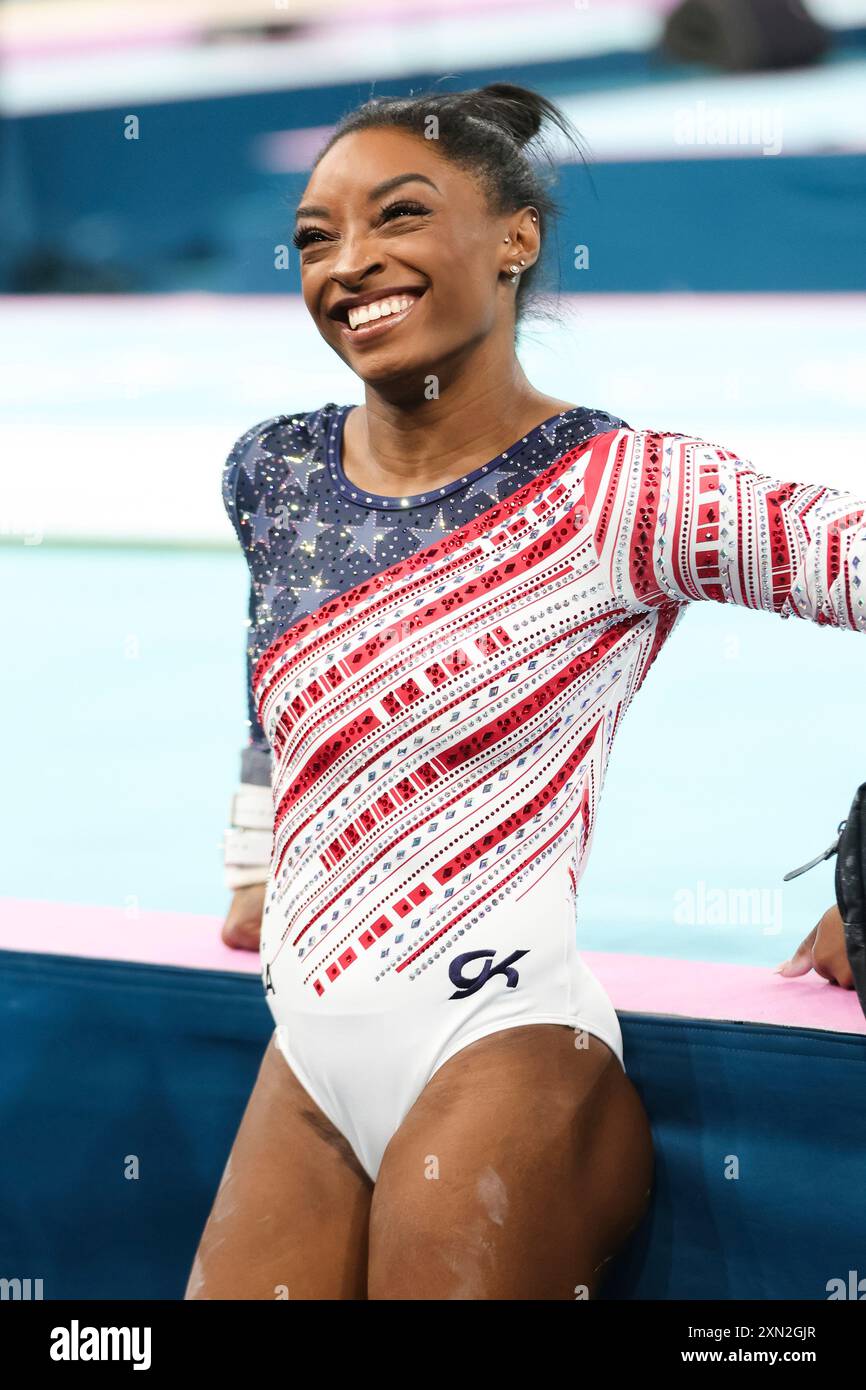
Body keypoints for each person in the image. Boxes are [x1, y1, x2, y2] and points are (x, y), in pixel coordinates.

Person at [187, 83, 864, 1301]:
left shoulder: (626, 492)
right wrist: (255, 860)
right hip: (310, 1061)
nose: (349, 266)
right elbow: (269, 671)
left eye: (398, 216)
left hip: (499, 1044)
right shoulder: (275, 468)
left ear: (516, 239)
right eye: (312, 237)